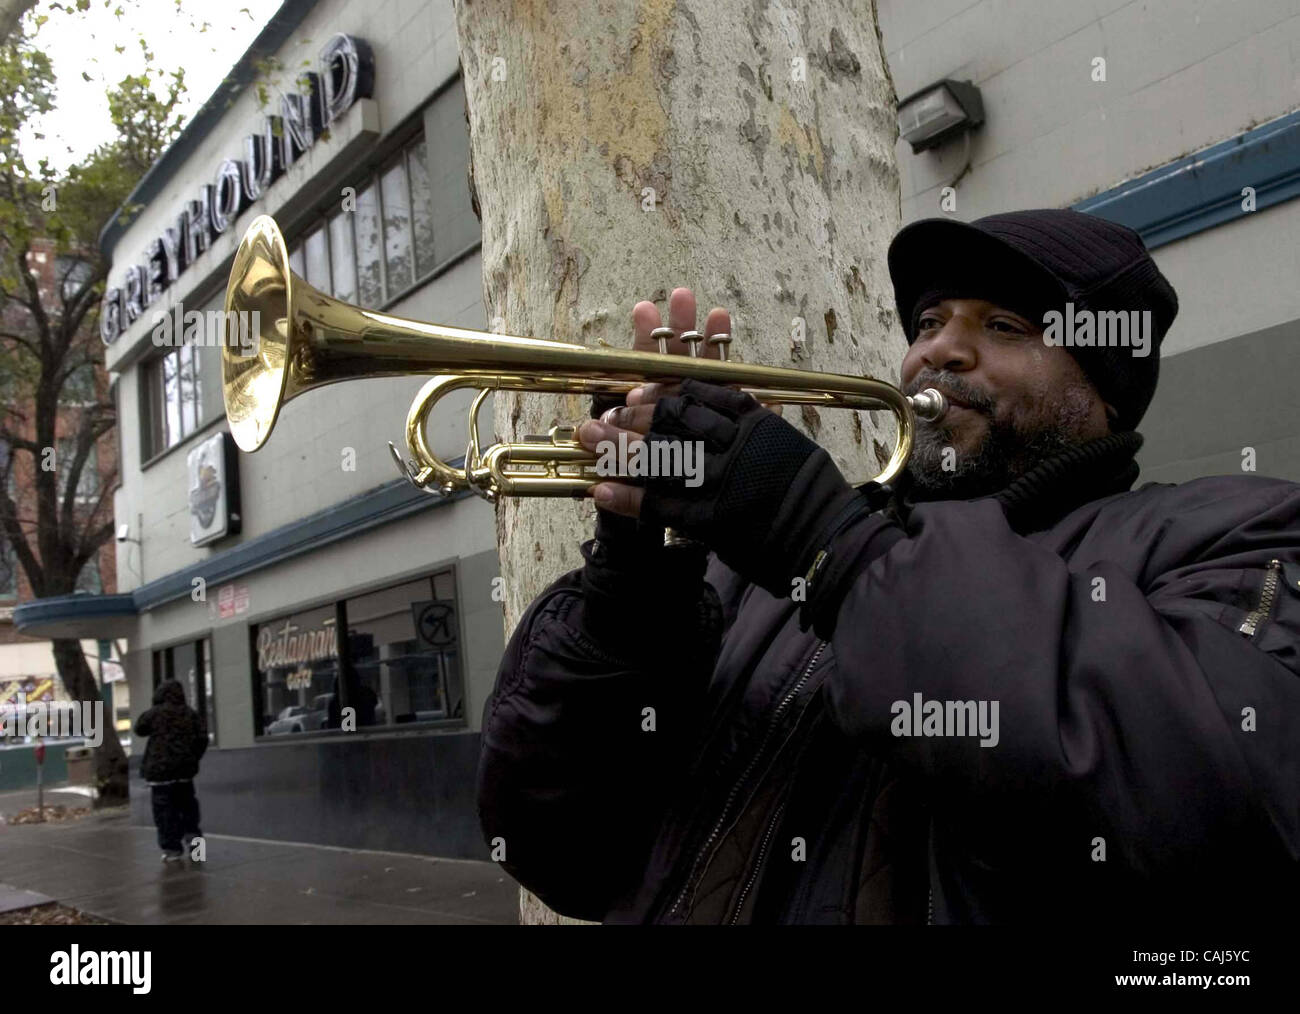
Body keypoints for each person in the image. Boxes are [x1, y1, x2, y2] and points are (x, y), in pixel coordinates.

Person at [476, 209, 1300, 924]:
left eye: (1003, 327)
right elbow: (564, 854)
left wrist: (829, 541)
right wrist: (635, 601)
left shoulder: (1235, 532)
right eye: (929, 322)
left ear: (1107, 384)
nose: (939, 352)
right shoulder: (779, 563)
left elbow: (1218, 812)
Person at [134, 679, 208, 862]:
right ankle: (198, 849)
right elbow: (202, 739)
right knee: (189, 810)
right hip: (184, 771)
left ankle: (172, 849)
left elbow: (139, 729)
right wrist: (193, 758)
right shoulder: (190, 714)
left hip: (160, 773)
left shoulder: (154, 714)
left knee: (164, 812)